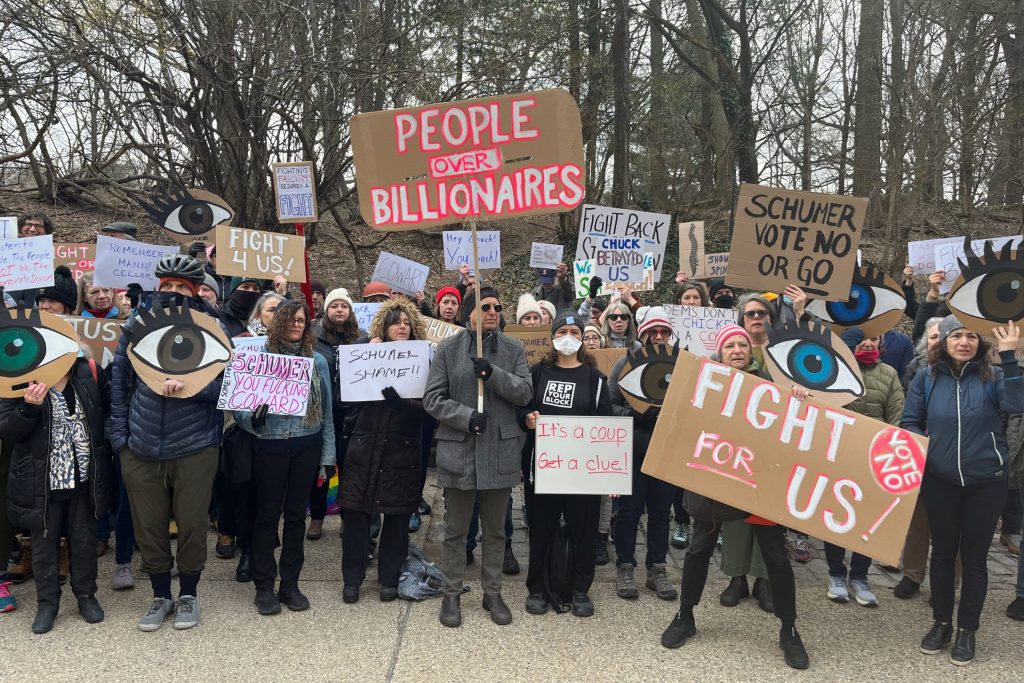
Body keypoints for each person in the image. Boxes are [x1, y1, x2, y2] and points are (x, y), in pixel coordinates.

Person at [661, 323, 808, 670]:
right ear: (721, 353)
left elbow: (791, 426)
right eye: (731, 346)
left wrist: (798, 399)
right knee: (698, 549)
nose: (738, 350)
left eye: (743, 344)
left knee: (776, 556)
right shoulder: (704, 387)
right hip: (716, 481)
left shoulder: (771, 388)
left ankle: (789, 628)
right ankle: (686, 614)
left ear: (750, 351)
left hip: (758, 485)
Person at [110, 253, 224, 632]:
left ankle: (189, 593)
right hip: (140, 445)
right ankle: (160, 594)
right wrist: (121, 438)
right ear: (158, 288)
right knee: (149, 525)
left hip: (195, 444)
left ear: (193, 291)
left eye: (182, 287)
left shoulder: (212, 325)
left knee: (192, 524)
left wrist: (192, 390)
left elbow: (227, 384)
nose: (173, 292)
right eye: (168, 286)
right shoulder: (136, 325)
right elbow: (119, 381)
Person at [901, 316, 1023, 665]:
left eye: (971, 336)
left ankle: (967, 630)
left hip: (986, 482)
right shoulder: (926, 377)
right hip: (940, 481)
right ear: (945, 341)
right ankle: (941, 622)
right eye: (957, 335)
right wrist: (923, 453)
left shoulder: (995, 376)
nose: (965, 342)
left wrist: (1010, 356)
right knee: (941, 554)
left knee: (974, 560)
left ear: (980, 343)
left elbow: (1017, 405)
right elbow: (910, 420)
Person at [424, 285, 532, 627]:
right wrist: (466, 417)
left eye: (498, 307)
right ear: (469, 311)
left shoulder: (513, 348)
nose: (493, 312)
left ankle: (493, 592)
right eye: (485, 306)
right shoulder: (448, 348)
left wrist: (493, 374)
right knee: (455, 530)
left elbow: (525, 392)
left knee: (496, 530)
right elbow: (433, 399)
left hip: (500, 450)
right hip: (460, 450)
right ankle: (452, 593)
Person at [0, 345, 112, 633]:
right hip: (41, 480)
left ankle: (86, 596)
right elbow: (8, 430)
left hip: (83, 476)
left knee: (84, 541)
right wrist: (28, 407)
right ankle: (47, 604)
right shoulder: (18, 375)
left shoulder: (87, 369)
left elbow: (108, 409)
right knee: (44, 547)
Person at [235, 301, 336, 616]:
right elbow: (238, 407)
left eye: (302, 320)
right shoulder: (258, 360)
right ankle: (264, 585)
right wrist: (254, 419)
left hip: (307, 444)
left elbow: (328, 415)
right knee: (266, 516)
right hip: (270, 443)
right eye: (291, 319)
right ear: (278, 323)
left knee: (296, 517)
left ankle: (289, 583)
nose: (297, 324)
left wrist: (327, 458)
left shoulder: (317, 362)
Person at [519, 312, 612, 616]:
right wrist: (527, 420)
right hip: (544, 468)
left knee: (583, 529)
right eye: (563, 331)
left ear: (583, 337)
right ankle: (537, 588)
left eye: (575, 331)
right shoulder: (537, 373)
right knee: (541, 528)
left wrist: (609, 474)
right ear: (553, 337)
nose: (569, 336)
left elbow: (607, 427)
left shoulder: (595, 380)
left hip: (582, 471)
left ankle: (580, 589)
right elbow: (522, 411)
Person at [340, 298, 427, 602]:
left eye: (406, 322)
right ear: (384, 327)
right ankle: (352, 578)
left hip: (402, 451)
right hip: (365, 447)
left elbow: (431, 409)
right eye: (395, 322)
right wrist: (366, 349)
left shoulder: (422, 357)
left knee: (397, 517)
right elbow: (347, 394)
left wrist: (403, 405)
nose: (402, 326)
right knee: (356, 517)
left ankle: (389, 577)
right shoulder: (368, 349)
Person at [824, 328, 904, 607]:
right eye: (861, 340)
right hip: (839, 454)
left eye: (874, 339)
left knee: (866, 519)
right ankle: (836, 573)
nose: (868, 343)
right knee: (835, 515)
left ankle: (860, 576)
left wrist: (884, 450)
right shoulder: (833, 369)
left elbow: (897, 416)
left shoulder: (889, 374)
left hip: (874, 458)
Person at [609, 306, 678, 602]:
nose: (660, 336)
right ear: (644, 333)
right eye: (654, 332)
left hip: (666, 452)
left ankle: (657, 568)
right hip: (633, 451)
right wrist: (636, 415)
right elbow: (608, 405)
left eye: (665, 332)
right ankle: (625, 565)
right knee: (628, 511)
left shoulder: (682, 366)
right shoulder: (625, 364)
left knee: (662, 512)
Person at [308, 287, 366, 540]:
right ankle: (317, 518)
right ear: (326, 310)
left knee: (349, 467)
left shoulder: (363, 338)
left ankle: (346, 517)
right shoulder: (312, 336)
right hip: (320, 411)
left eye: (344, 306)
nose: (339, 310)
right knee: (320, 467)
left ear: (350, 310)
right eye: (334, 306)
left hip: (351, 413)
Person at [894, 317, 943, 599]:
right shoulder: (917, 371)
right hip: (922, 455)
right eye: (933, 336)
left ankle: (948, 583)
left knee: (953, 530)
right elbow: (909, 414)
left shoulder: (979, 374)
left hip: (956, 461)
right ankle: (912, 574)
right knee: (917, 522)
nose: (938, 342)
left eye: (943, 336)